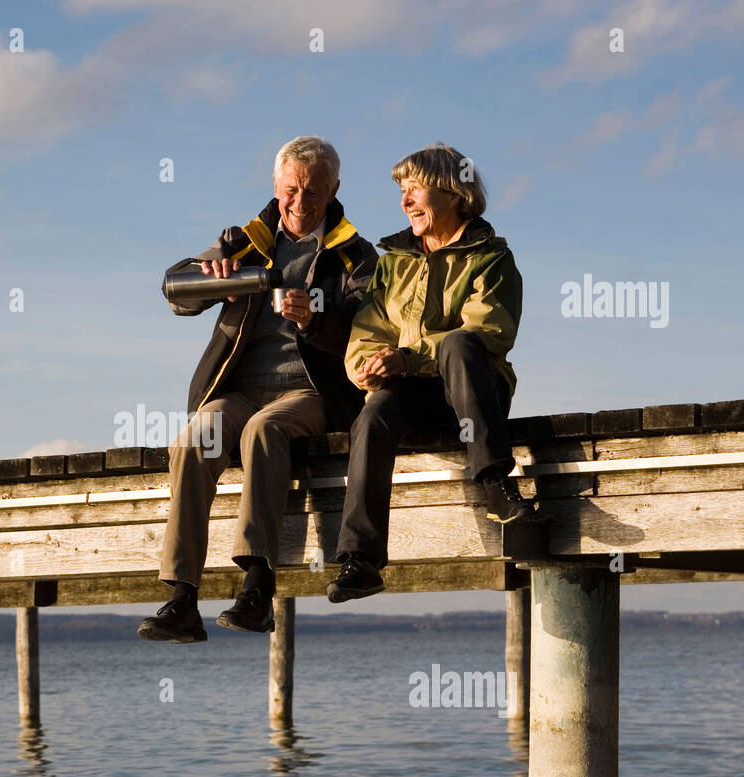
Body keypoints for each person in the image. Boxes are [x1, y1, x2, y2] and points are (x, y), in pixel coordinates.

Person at [139, 136, 377, 643]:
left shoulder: (356, 255)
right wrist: (211, 279)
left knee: (264, 431)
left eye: (313, 192)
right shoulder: (244, 240)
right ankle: (182, 597)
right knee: (192, 439)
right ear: (275, 184)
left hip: (311, 392)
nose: (299, 201)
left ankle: (257, 585)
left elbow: (372, 329)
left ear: (334, 189)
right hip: (239, 390)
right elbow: (172, 288)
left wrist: (316, 321)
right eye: (291, 189)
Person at [328, 142, 533, 603]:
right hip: (414, 399)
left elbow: (490, 330)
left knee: (461, 342)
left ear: (454, 192)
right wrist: (370, 367)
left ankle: (495, 484)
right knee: (375, 411)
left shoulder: (493, 258)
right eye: (402, 189)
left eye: (416, 188)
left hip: (476, 395)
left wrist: (408, 356)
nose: (405, 200)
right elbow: (366, 332)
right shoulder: (392, 263)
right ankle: (360, 561)